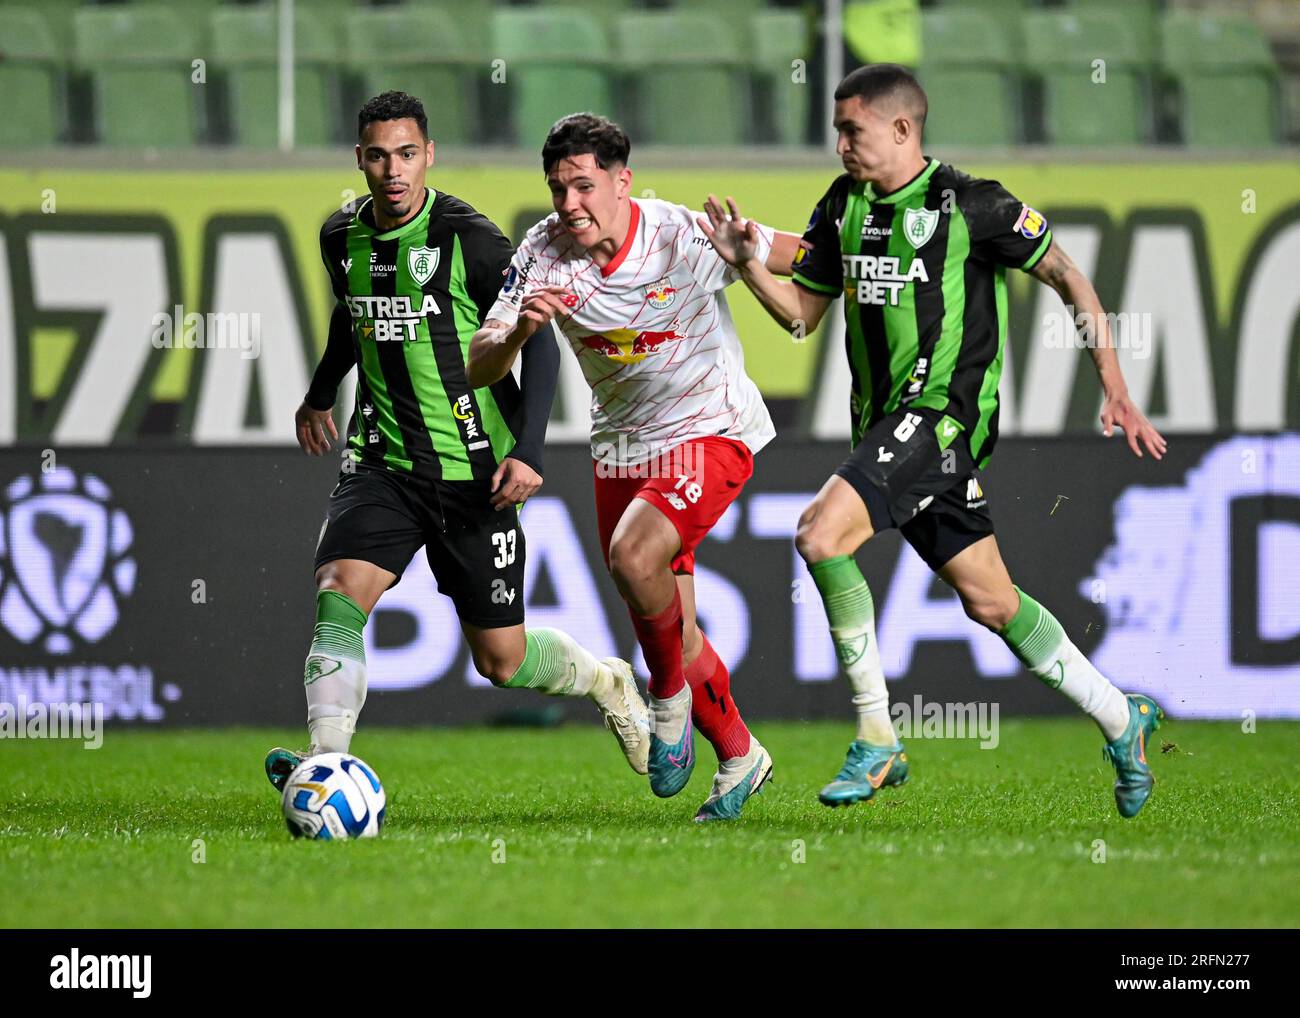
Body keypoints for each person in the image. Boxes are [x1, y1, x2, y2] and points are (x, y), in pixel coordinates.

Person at [700, 65, 1168, 818]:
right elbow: (799, 316)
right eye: (837, 130)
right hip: (887, 427)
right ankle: (1122, 717)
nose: (841, 143)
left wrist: (1113, 383)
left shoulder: (972, 204)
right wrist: (750, 263)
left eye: (851, 129)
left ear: (902, 129)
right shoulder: (842, 204)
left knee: (821, 536)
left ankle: (878, 736)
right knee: (991, 600)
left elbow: (1067, 275)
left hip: (943, 419)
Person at [265, 93, 648, 792]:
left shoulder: (471, 241)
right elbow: (354, 320)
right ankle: (325, 761)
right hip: (382, 460)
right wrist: (323, 391)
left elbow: (537, 342)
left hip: (475, 469)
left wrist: (529, 450)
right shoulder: (338, 237)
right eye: (378, 155)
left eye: (406, 154)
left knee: (499, 659)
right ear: (360, 160)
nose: (392, 171)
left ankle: (605, 679)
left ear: (428, 155)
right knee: (339, 590)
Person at [466, 113, 802, 821]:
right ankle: (741, 756)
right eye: (558, 189)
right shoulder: (543, 251)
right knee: (671, 619)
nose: (569, 204)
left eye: (584, 186)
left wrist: (758, 255)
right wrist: (524, 328)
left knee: (633, 556)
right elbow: (479, 359)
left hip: (712, 430)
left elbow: (807, 264)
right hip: (621, 446)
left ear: (624, 181)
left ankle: (666, 702)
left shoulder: (681, 236)